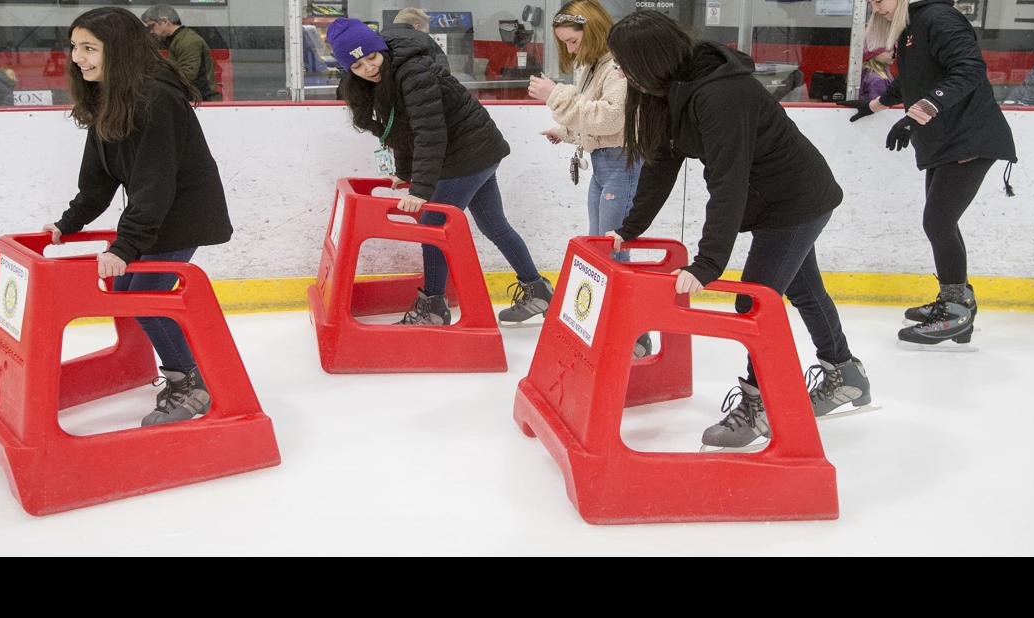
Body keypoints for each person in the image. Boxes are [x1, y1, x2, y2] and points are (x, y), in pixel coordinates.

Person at [608, 11, 872, 448]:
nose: (620, 71)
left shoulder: (720, 95)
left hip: (796, 199)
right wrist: (631, 228)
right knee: (804, 291)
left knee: (756, 300)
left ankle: (758, 404)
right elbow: (661, 161)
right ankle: (845, 374)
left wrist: (709, 262)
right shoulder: (666, 89)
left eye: (623, 62)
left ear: (650, 58)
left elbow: (727, 181)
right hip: (770, 200)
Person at [44, 6, 232, 426]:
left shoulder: (158, 97)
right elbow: (98, 177)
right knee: (129, 289)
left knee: (144, 299)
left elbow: (154, 180)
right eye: (75, 47)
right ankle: (183, 372)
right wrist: (69, 222)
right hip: (154, 211)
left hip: (183, 212)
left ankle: (191, 383)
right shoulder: (108, 96)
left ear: (120, 49)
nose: (78, 57)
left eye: (90, 48)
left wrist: (126, 244)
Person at [328, 17, 554, 326]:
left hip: (466, 153)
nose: (369, 67)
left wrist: (420, 190)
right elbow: (404, 127)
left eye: (372, 57)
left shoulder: (413, 73)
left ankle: (433, 309)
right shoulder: (385, 79)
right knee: (494, 226)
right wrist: (406, 172)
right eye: (358, 66)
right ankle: (537, 289)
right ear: (348, 71)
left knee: (433, 229)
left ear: (381, 49)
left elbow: (429, 133)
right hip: (478, 150)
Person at [856, 0, 1016, 347]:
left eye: (879, 0)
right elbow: (912, 80)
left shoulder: (938, 18)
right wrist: (873, 106)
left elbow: (970, 69)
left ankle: (956, 309)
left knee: (938, 223)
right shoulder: (911, 27)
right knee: (942, 223)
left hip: (970, 138)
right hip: (947, 142)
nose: (875, 7)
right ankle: (957, 303)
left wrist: (918, 114)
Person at [529, 1, 652, 357]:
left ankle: (635, 337)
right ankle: (610, 328)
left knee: (613, 255)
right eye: (564, 43)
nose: (570, 49)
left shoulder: (617, 67)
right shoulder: (594, 66)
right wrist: (566, 131)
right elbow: (592, 116)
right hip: (604, 164)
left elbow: (613, 118)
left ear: (593, 30)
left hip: (622, 165)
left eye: (572, 41)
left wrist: (555, 95)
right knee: (600, 252)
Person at [141, 5, 220, 102]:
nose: (151, 31)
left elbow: (187, 76)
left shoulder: (188, 41)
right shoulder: (175, 40)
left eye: (152, 26)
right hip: (193, 99)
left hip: (203, 101)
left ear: (165, 21)